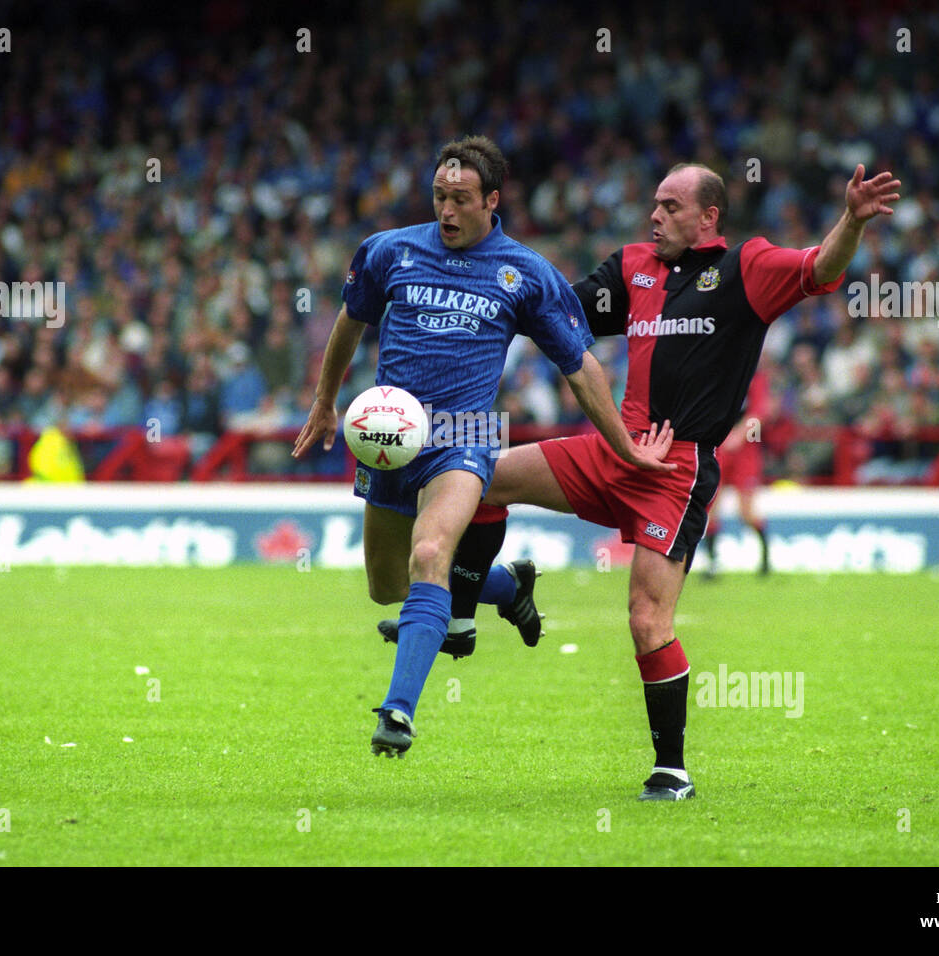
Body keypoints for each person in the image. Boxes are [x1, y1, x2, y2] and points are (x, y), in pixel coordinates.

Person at [383, 162, 900, 798]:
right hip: (616, 449)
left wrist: (850, 219)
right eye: (654, 204)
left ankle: (672, 768)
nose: (654, 216)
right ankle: (465, 613)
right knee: (484, 475)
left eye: (670, 207)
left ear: (708, 217)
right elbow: (552, 309)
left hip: (675, 470)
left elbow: (820, 268)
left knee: (647, 619)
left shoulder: (747, 268)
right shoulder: (632, 266)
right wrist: (477, 283)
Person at [292, 136, 674, 758]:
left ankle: (398, 712)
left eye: (461, 199)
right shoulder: (390, 251)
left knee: (432, 551)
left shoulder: (524, 272)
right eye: (440, 196)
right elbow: (350, 319)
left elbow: (580, 368)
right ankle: (504, 587)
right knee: (386, 587)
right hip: (389, 439)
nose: (447, 210)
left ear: (491, 201)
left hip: (463, 440)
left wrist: (626, 448)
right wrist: (324, 401)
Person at [703, 362, 774, 577]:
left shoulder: (755, 376)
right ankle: (713, 564)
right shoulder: (719, 372)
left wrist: (740, 435)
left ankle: (765, 559)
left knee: (746, 510)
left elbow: (759, 413)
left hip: (746, 452)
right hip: (719, 448)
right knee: (711, 505)